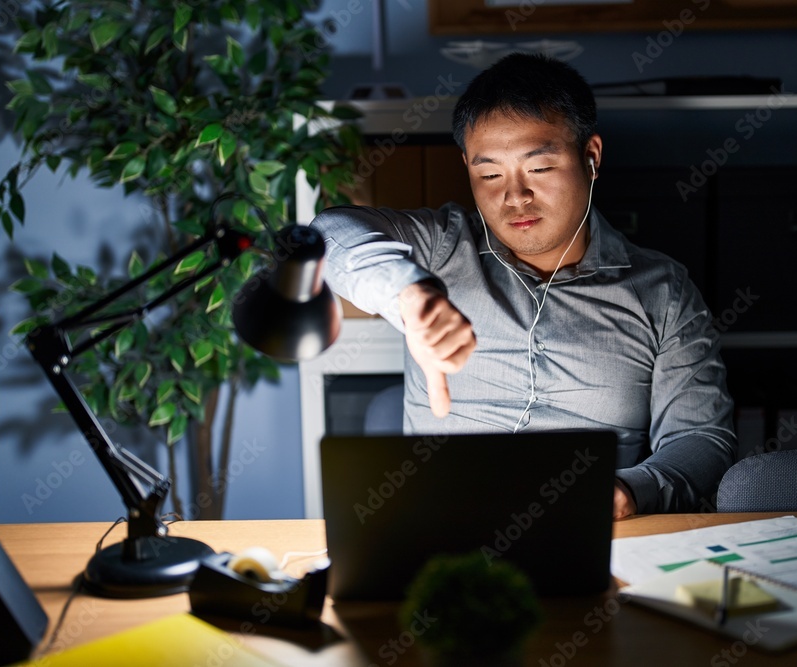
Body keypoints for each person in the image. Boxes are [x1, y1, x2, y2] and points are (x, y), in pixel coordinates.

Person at [310, 53, 736, 517]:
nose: (514, 196)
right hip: (445, 523)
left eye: (539, 168)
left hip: (596, 527)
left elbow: (701, 438)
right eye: (489, 174)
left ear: (590, 157)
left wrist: (630, 491)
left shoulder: (662, 291)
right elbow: (329, 235)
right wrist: (407, 295)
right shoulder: (440, 249)